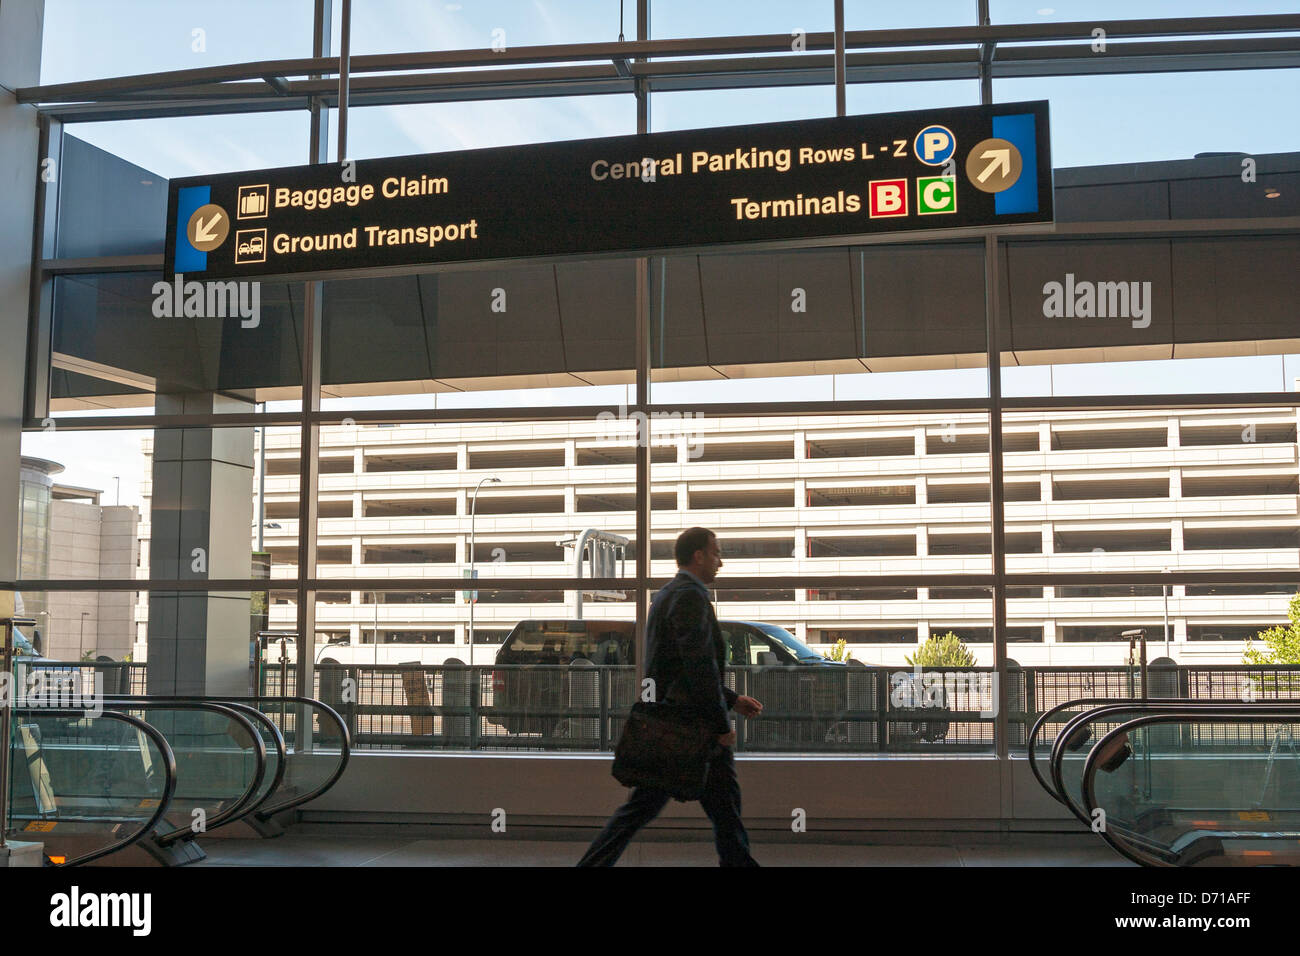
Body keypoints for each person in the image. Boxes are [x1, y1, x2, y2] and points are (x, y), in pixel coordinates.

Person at [577, 527, 763, 867]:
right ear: (699, 556)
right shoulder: (690, 597)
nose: (720, 561)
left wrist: (732, 699)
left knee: (667, 808)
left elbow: (680, 667)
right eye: (716, 553)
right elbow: (698, 665)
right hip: (692, 730)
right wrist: (721, 723)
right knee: (718, 810)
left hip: (673, 726)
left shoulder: (665, 596)